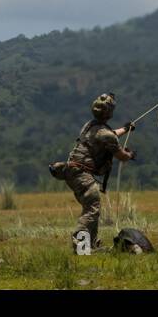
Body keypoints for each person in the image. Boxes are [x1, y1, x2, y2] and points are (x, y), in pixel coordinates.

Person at [56, 93, 135, 253]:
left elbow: (108, 135)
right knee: (92, 208)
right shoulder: (105, 134)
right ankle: (81, 247)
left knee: (92, 208)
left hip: (72, 171)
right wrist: (130, 155)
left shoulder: (89, 126)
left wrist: (125, 129)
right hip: (81, 173)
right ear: (110, 113)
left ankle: (90, 245)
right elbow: (121, 155)